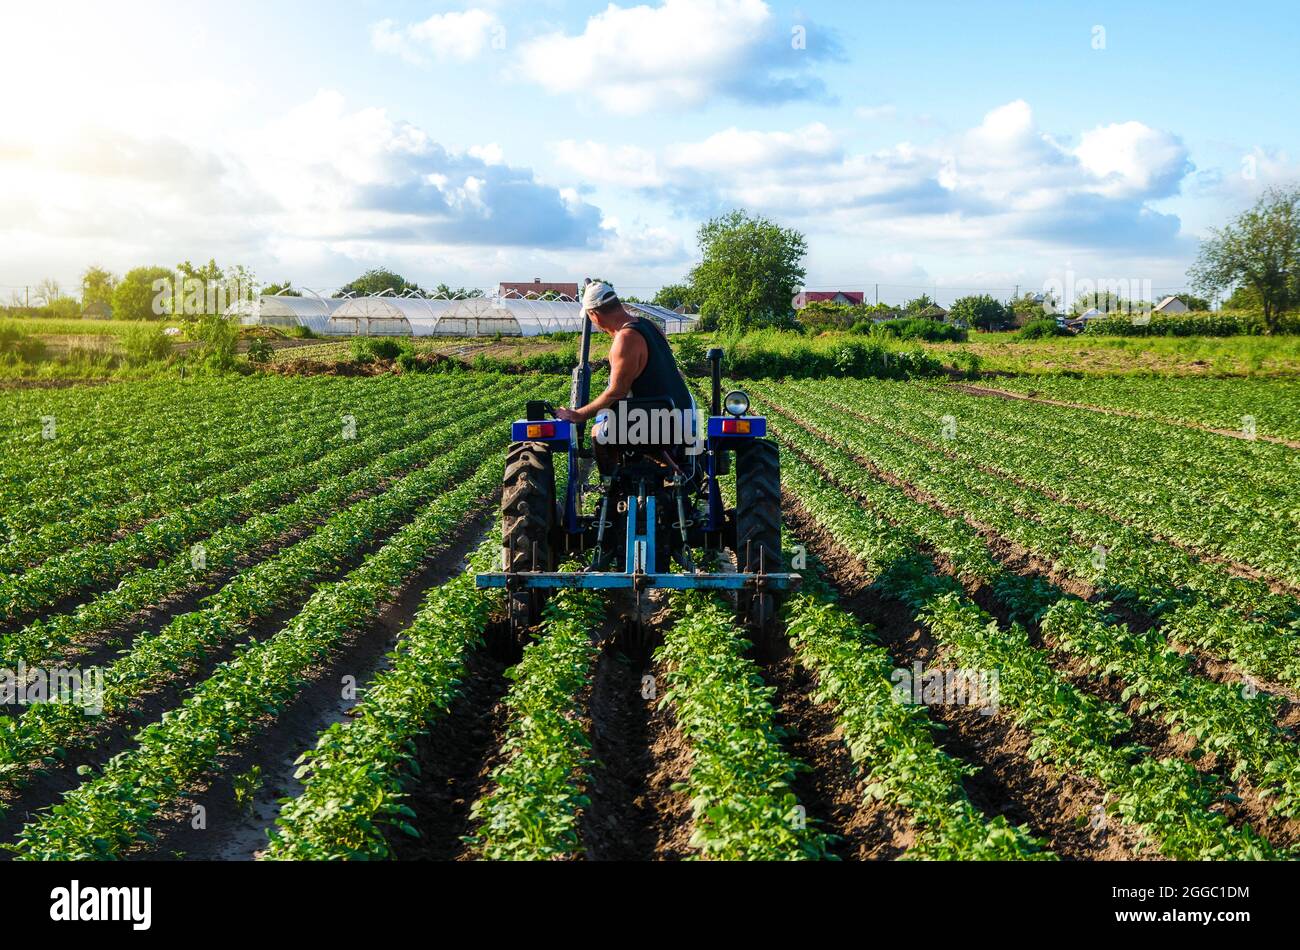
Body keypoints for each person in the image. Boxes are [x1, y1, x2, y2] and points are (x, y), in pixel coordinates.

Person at [555, 281, 695, 468]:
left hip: (651, 423)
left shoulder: (625, 339)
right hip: (683, 416)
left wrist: (577, 415)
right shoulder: (650, 326)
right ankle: (672, 466)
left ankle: (611, 488)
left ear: (594, 315)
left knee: (598, 432)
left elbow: (616, 392)